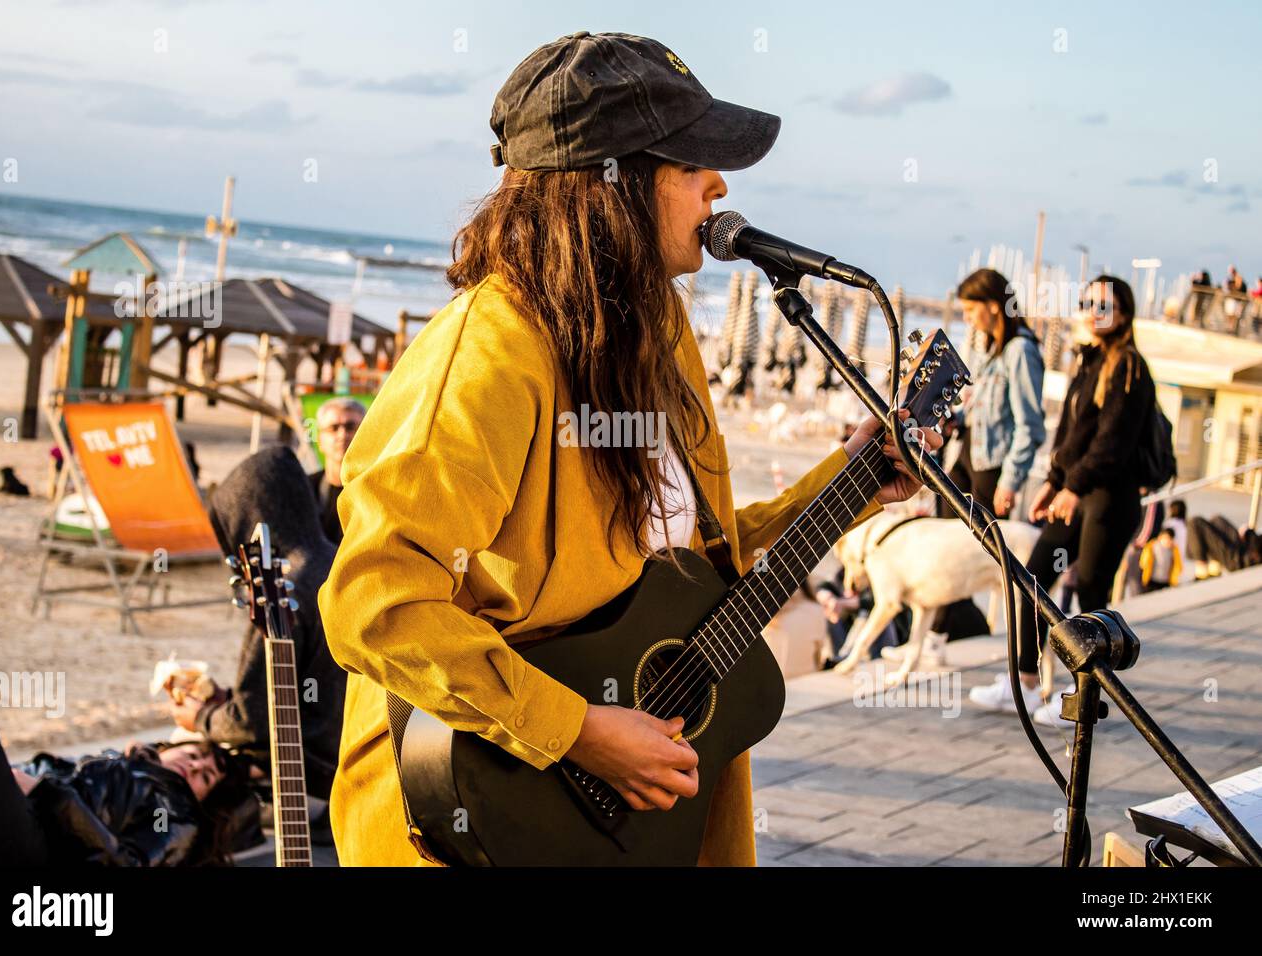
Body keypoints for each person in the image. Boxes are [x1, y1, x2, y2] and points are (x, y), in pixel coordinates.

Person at [318, 31, 941, 867]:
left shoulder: (660, 335)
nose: (722, 185)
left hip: (644, 820)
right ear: (606, 185)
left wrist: (851, 482)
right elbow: (373, 604)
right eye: (691, 162)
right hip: (473, 820)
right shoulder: (488, 352)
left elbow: (686, 564)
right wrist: (579, 732)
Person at [970, 276, 1154, 714]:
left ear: (1124, 313)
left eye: (1103, 304)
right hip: (1078, 492)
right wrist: (1054, 481)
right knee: (1032, 579)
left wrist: (1074, 487)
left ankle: (1085, 699)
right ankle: (1028, 681)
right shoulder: (1091, 361)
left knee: (1091, 594)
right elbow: (1072, 436)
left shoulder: (1129, 366)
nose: (1093, 310)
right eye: (1087, 301)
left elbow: (1113, 441)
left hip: (1109, 498)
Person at [172, 446, 347, 806]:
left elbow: (252, 721)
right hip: (352, 766)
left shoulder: (282, 588)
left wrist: (201, 716)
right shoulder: (339, 562)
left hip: (304, 780)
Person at [0, 674, 256, 866]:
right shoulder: (123, 761)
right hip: (16, 808)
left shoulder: (176, 815)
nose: (193, 767)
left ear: (205, 799)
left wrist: (47, 794)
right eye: (195, 755)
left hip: (40, 844)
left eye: (205, 777)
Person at [930, 268, 1046, 642]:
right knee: (949, 545)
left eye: (970, 310)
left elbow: (1030, 425)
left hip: (993, 470)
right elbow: (980, 406)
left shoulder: (1020, 352)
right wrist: (954, 418)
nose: (966, 319)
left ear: (993, 307)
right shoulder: (988, 349)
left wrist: (1011, 481)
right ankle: (937, 637)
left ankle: (1020, 646)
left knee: (994, 559)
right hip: (969, 456)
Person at [309, 397, 366, 545]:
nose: (342, 435)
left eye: (350, 427)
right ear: (320, 440)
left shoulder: (377, 490)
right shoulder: (304, 488)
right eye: (333, 428)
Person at [1185, 514, 1262, 577]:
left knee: (1195, 522)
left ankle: (1201, 569)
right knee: (1217, 520)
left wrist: (1248, 533)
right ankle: (1214, 566)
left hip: (1239, 559)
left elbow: (1257, 547)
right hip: (1244, 550)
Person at [1140, 527, 1181, 591]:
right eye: (1166, 538)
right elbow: (1144, 563)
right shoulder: (1152, 546)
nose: (1167, 541)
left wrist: (1174, 580)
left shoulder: (1174, 550)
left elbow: (1178, 565)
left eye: (1170, 539)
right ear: (1160, 537)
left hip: (1166, 581)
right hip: (1152, 580)